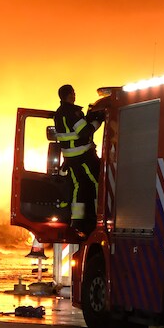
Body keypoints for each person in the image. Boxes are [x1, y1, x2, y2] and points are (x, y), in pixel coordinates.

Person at [53, 84, 104, 236]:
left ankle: (77, 221)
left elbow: (71, 132)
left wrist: (87, 118)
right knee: (97, 183)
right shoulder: (73, 112)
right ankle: (99, 216)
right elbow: (84, 132)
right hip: (84, 156)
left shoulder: (59, 113)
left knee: (78, 187)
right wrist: (98, 121)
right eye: (73, 93)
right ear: (69, 95)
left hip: (70, 158)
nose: (75, 95)